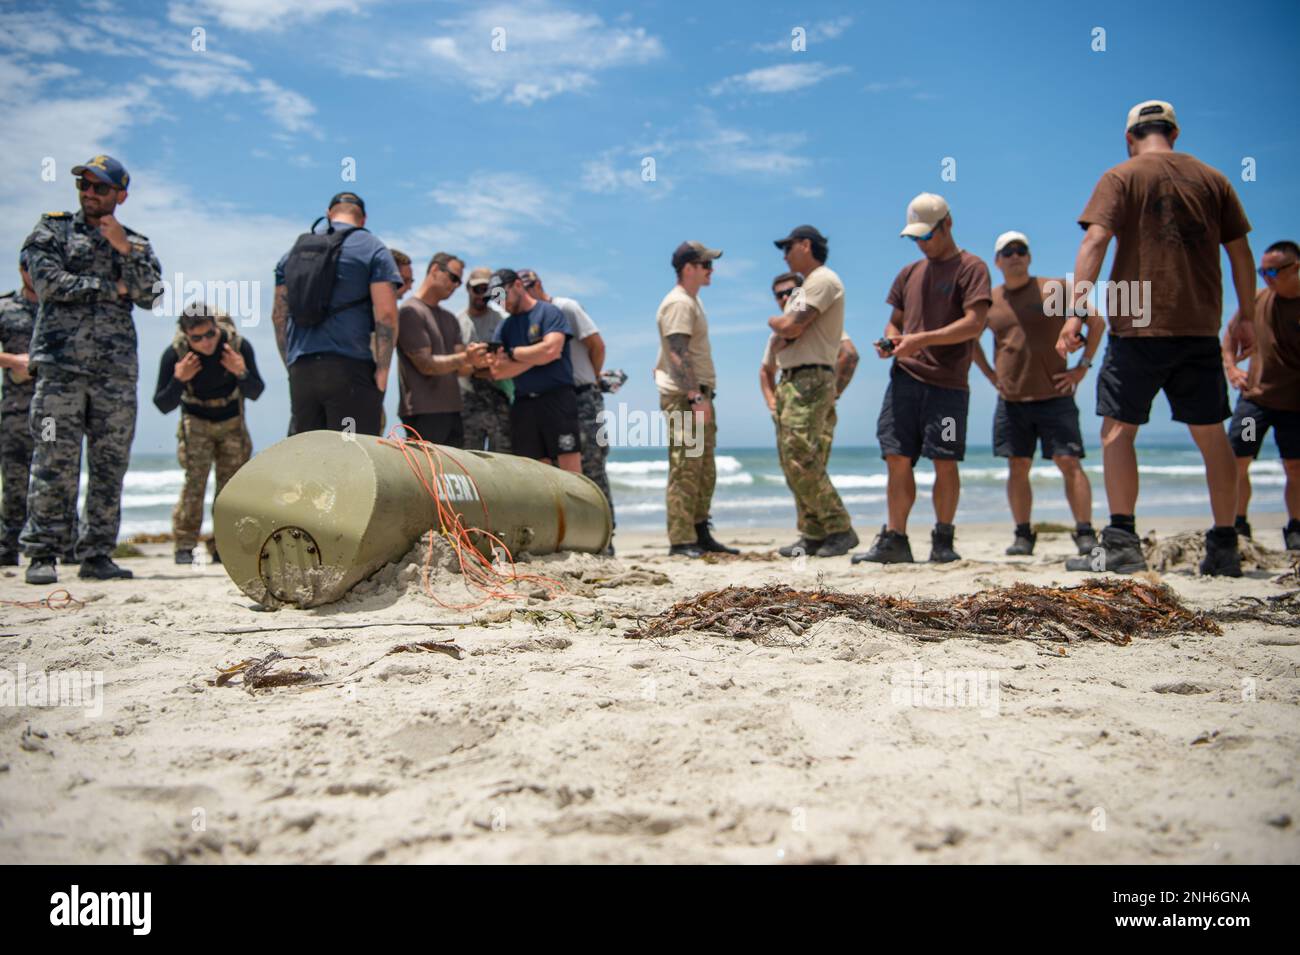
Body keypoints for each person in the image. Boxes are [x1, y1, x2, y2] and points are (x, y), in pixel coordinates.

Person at [1060, 101, 1256, 576]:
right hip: (1199, 323)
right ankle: (1225, 545)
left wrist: (1076, 310)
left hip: (1135, 321)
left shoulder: (1121, 175)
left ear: (1130, 137)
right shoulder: (1214, 179)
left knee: (1117, 431)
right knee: (1212, 436)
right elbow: (1241, 253)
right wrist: (1247, 316)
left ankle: (1123, 540)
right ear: (1174, 132)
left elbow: (1095, 242)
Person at [20, 155, 162, 585]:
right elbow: (46, 282)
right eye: (84, 185)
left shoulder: (135, 244)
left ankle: (97, 554)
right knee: (53, 461)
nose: (90, 193)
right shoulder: (53, 229)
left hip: (115, 375)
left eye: (100, 187)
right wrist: (111, 287)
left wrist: (123, 251)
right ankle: (43, 553)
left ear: (120, 195)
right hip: (61, 368)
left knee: (109, 466)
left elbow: (152, 294)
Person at [853, 194, 991, 565]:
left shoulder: (972, 267)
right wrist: (893, 340)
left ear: (947, 224)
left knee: (944, 459)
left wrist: (920, 340)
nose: (920, 244)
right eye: (915, 238)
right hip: (904, 380)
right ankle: (896, 538)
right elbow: (895, 320)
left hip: (947, 384)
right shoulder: (908, 273)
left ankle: (943, 540)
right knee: (896, 456)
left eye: (926, 236)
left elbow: (975, 323)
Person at [971, 231, 1103, 556]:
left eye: (1021, 250)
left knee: (1068, 461)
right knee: (1017, 466)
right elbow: (970, 338)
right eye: (1007, 251)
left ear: (1029, 257)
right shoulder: (990, 300)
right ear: (997, 261)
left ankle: (1085, 532)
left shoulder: (1054, 289)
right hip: (1012, 400)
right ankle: (1022, 535)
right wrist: (989, 375)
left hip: (1055, 395)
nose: (1015, 255)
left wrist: (1083, 367)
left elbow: (1096, 322)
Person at [272, 191, 400, 437]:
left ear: (329, 215)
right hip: (349, 370)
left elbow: (278, 316)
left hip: (302, 371)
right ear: (363, 219)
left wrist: (291, 364)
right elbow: (386, 316)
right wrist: (382, 371)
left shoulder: (292, 254)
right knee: (353, 464)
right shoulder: (373, 248)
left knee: (309, 462)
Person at [765, 227, 857, 558]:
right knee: (793, 460)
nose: (785, 255)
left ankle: (839, 527)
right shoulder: (807, 285)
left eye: (788, 247)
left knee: (801, 457)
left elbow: (791, 327)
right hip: (793, 379)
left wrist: (775, 321)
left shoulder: (822, 279)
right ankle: (814, 531)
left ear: (806, 245)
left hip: (809, 378)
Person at [153, 305, 264, 564]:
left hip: (232, 421)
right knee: (194, 484)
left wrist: (241, 372)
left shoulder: (237, 346)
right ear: (186, 336)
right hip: (196, 420)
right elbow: (162, 404)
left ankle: (222, 546)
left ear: (216, 326)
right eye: (197, 338)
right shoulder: (175, 354)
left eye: (210, 334)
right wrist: (179, 379)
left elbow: (256, 391)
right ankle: (184, 545)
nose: (206, 342)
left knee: (230, 488)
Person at [654, 241, 736, 558]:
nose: (711, 270)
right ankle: (681, 540)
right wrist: (694, 394)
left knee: (703, 468)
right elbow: (677, 351)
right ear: (689, 267)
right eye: (706, 265)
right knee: (686, 467)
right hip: (687, 396)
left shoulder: (690, 302)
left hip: (695, 394)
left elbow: (670, 350)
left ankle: (700, 532)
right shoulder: (679, 303)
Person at [517, 270, 615, 532]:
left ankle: (606, 534)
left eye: (528, 288)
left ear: (537, 285)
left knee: (593, 465)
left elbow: (597, 346)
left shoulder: (565, 307)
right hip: (554, 400)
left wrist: (592, 378)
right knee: (557, 472)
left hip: (583, 395)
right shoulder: (526, 319)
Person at [1223, 240, 1300, 552]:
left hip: (1294, 405)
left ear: (1295, 268)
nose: (1266, 277)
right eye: (1262, 271)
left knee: (1294, 466)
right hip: (1256, 401)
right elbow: (1229, 336)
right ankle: (1238, 523)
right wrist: (1231, 368)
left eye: (1272, 271)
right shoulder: (1256, 300)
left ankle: (1295, 527)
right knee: (1238, 460)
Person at [485, 269, 581, 471]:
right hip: (523, 404)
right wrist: (537, 357)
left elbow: (552, 350)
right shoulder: (505, 327)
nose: (500, 302)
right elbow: (497, 371)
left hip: (557, 399)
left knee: (570, 471)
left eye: (502, 295)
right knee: (536, 472)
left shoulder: (549, 312)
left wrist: (513, 354)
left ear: (518, 285)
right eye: (495, 299)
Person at [396, 253, 474, 445]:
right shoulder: (410, 312)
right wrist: (465, 358)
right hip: (422, 412)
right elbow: (426, 365)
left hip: (453, 411)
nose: (456, 285)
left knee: (454, 475)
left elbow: (463, 367)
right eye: (453, 277)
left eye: (459, 282)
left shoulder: (450, 318)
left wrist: (479, 360)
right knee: (424, 474)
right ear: (434, 270)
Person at [0, 254, 38, 565]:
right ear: (21, 269)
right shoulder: (5, 307)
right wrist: (13, 361)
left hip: (54, 413)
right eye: (32, 267)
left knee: (56, 472)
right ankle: (8, 545)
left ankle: (62, 544)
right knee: (14, 477)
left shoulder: (61, 308)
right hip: (16, 410)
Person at [457, 266, 513, 452]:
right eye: (478, 289)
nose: (482, 295)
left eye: (487, 291)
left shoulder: (503, 321)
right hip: (468, 399)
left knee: (503, 459)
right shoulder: (457, 323)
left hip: (499, 396)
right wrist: (475, 365)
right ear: (468, 288)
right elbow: (457, 366)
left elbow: (509, 360)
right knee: (469, 459)